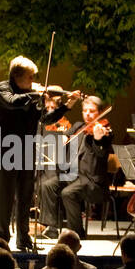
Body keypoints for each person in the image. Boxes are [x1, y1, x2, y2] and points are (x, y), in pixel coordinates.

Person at [0, 56, 80, 251]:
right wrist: (36, 93)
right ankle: (1, 239)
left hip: (26, 148)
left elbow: (46, 119)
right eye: (30, 77)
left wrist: (68, 105)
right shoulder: (2, 88)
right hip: (7, 148)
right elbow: (12, 102)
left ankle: (23, 238)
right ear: (17, 76)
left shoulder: (31, 95)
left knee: (25, 196)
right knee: (6, 196)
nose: (34, 80)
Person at [38, 96, 113, 240]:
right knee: (47, 185)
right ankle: (52, 227)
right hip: (73, 176)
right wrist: (64, 137)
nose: (88, 114)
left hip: (92, 182)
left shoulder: (105, 132)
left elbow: (101, 152)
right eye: (85, 111)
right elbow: (66, 135)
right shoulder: (79, 126)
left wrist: (98, 140)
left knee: (68, 193)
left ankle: (76, 233)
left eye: (92, 111)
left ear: (100, 112)